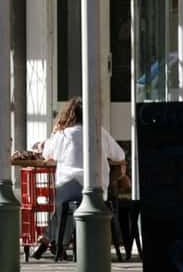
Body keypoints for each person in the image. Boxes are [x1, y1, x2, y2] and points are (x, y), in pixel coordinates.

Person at [31, 97, 125, 259]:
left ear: (68, 115)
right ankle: (55, 242)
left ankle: (53, 241)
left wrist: (50, 140)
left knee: (64, 205)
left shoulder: (64, 134)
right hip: (96, 190)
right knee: (71, 204)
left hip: (67, 188)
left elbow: (47, 153)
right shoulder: (99, 132)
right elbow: (120, 155)